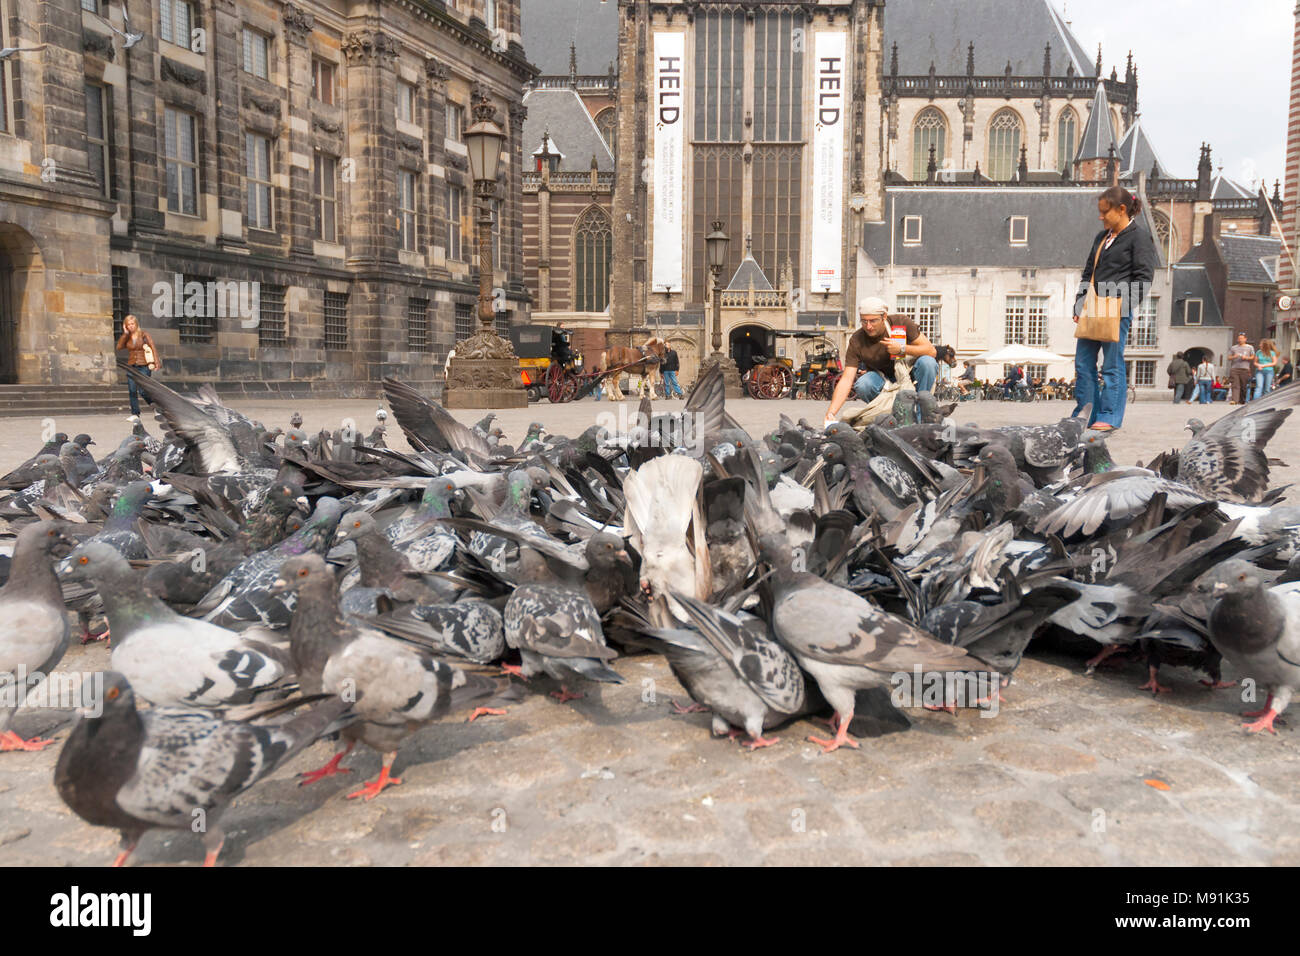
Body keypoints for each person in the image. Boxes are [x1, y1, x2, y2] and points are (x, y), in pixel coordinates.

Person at [1072, 185, 1158, 431]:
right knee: (1082, 363)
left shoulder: (1139, 237)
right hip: (1094, 306)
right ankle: (1085, 413)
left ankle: (1109, 416)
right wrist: (1079, 304)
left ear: (1121, 210)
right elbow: (1088, 272)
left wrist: (1123, 307)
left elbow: (1144, 278)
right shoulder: (1101, 238)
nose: (1100, 217)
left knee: (1111, 365)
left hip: (1117, 306)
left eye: (1104, 212)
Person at [824, 297, 937, 425]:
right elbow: (846, 379)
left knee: (928, 362)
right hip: (884, 381)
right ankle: (888, 416)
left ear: (884, 317)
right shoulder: (857, 340)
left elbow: (931, 351)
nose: (868, 326)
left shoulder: (900, 322)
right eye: (864, 321)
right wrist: (831, 413)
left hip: (910, 376)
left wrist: (902, 348)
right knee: (863, 384)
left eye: (873, 321)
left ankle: (923, 418)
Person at [115, 314, 159, 416]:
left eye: (132, 324)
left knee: (143, 390)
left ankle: (156, 406)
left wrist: (156, 362)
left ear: (136, 324)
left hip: (144, 365)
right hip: (132, 366)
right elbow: (119, 347)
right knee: (132, 390)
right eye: (128, 324)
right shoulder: (127, 337)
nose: (130, 326)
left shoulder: (144, 334)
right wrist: (125, 334)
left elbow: (153, 347)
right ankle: (135, 414)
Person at [1227, 332, 1254, 405]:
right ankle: (1235, 400)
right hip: (1235, 368)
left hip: (1244, 368)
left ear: (1245, 339)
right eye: (1239, 338)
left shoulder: (1249, 347)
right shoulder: (1233, 347)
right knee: (1235, 385)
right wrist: (1234, 357)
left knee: (1243, 385)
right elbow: (1228, 357)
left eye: (1241, 338)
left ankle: (1242, 400)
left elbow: (1252, 357)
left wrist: (1246, 358)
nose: (1240, 340)